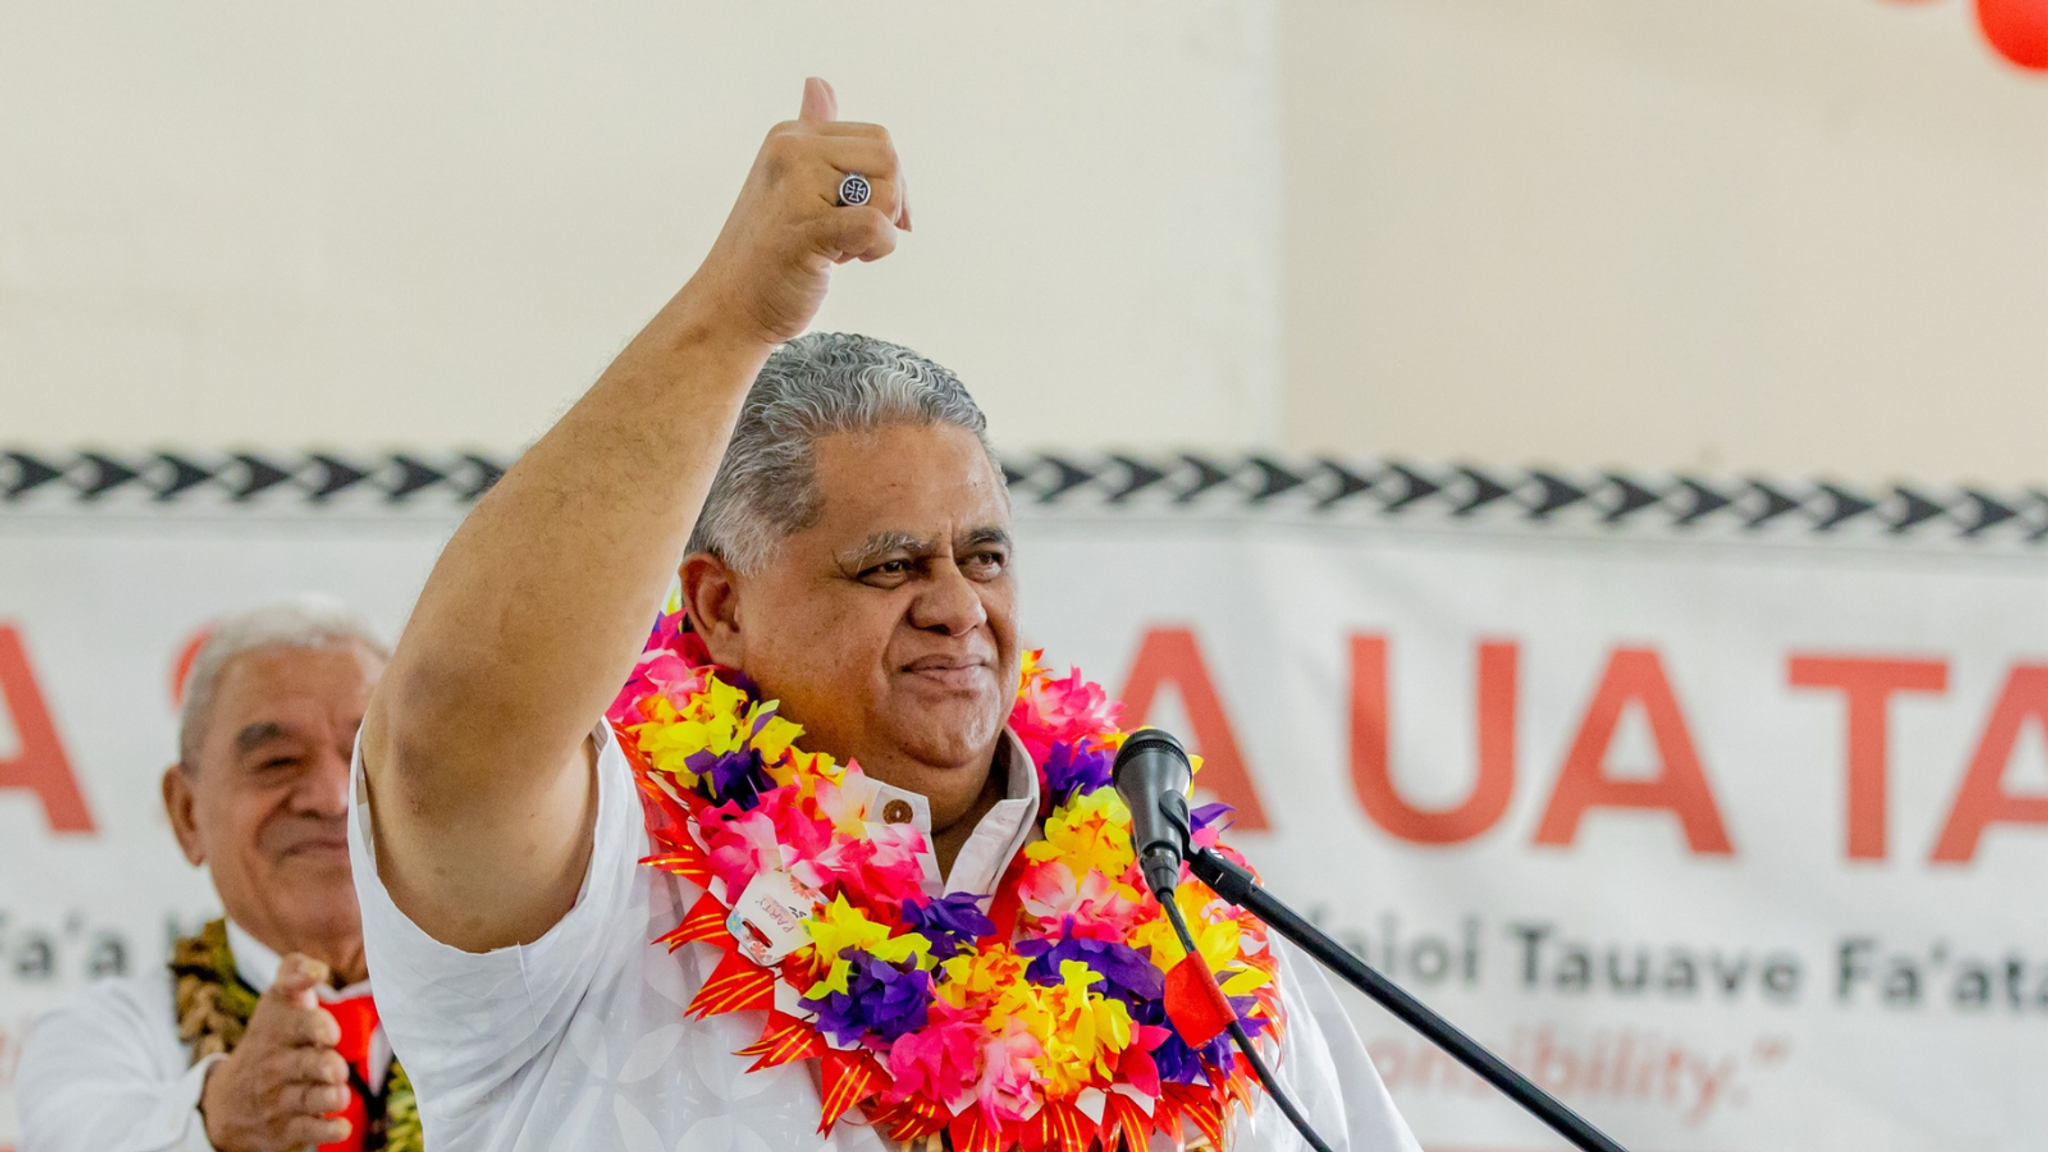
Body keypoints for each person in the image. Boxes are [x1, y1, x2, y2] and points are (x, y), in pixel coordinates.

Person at [351, 78, 1420, 1151]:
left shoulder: (1190, 921)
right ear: (720, 606)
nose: (956, 607)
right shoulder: (606, 875)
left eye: (984, 557)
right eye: (889, 566)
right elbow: (453, 727)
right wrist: (733, 312)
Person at [17, 597, 415, 1152]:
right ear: (186, 814)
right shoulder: (100, 1036)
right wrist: (222, 1118)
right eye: (277, 761)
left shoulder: (509, 1013)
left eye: (365, 756)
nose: (332, 799)